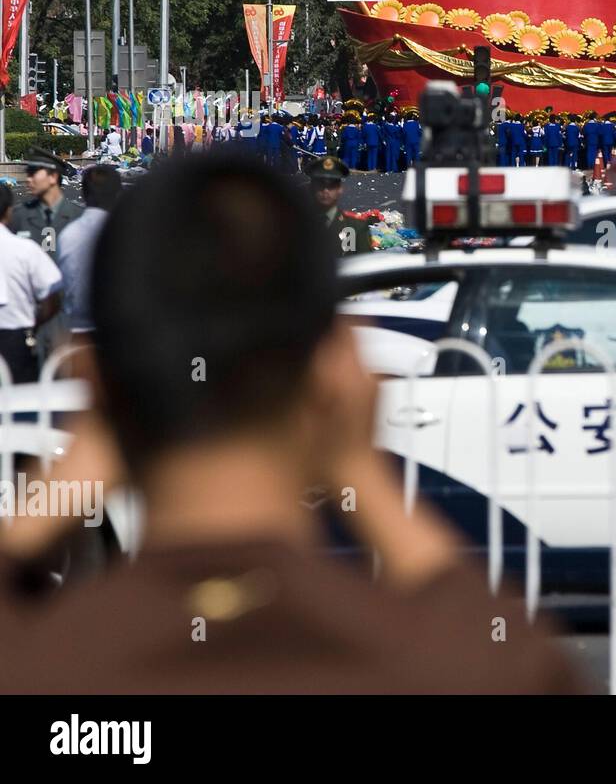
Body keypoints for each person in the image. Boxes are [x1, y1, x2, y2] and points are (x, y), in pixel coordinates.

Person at [2, 154, 581, 694]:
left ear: (96, 383)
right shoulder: (443, 666)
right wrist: (359, 464)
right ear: (340, 373)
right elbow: (518, 662)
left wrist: (92, 429)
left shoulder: (44, 664)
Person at [0, 182, 63, 384]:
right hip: (17, 340)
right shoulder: (25, 250)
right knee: (21, 406)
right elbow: (53, 294)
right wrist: (37, 322)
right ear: (8, 211)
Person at [55, 165, 122, 336]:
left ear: (84, 194)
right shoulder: (128, 231)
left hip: (76, 331)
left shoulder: (68, 233)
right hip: (118, 332)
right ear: (118, 193)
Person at [305, 155, 374, 258]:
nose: (326, 191)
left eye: (331, 185)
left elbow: (364, 267)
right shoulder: (296, 226)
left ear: (340, 189)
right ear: (311, 187)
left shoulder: (355, 227)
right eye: (320, 185)